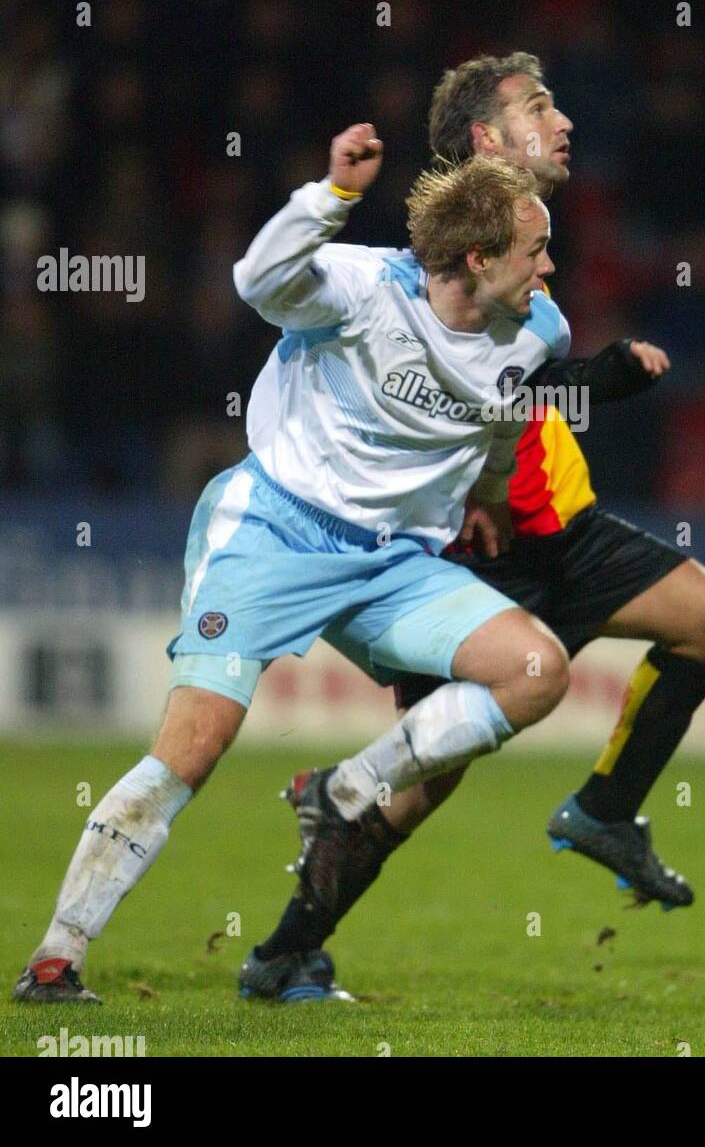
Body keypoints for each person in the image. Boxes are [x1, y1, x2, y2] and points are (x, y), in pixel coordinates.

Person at [14, 125, 579, 1004]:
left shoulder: (538, 329)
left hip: (392, 562)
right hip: (274, 533)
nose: (549, 270)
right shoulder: (361, 288)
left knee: (538, 670)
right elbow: (258, 280)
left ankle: (347, 787)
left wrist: (491, 489)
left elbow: (505, 414)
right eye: (537, 251)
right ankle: (57, 958)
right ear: (476, 256)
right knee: (194, 746)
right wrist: (331, 198)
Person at [245, 54, 705, 999]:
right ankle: (282, 953)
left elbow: (516, 389)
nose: (561, 120)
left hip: (567, 525)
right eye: (537, 107)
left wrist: (591, 382)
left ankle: (604, 810)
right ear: (486, 140)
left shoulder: (533, 255)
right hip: (481, 554)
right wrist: (572, 401)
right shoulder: (447, 258)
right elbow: (469, 388)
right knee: (418, 788)